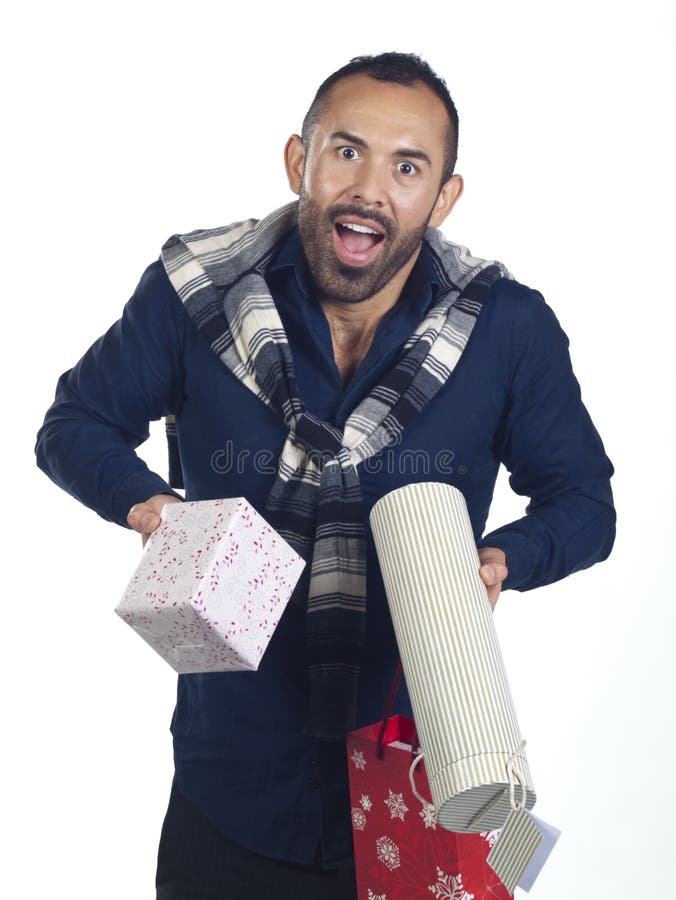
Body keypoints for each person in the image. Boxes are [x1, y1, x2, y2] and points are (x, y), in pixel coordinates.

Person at [35, 52, 615, 900]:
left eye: (407, 166)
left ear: (444, 196)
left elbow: (585, 504)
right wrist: (156, 511)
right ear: (299, 161)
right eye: (347, 151)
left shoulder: (507, 329)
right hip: (229, 782)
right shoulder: (194, 295)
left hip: (423, 780)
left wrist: (496, 562)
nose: (370, 188)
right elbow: (73, 425)